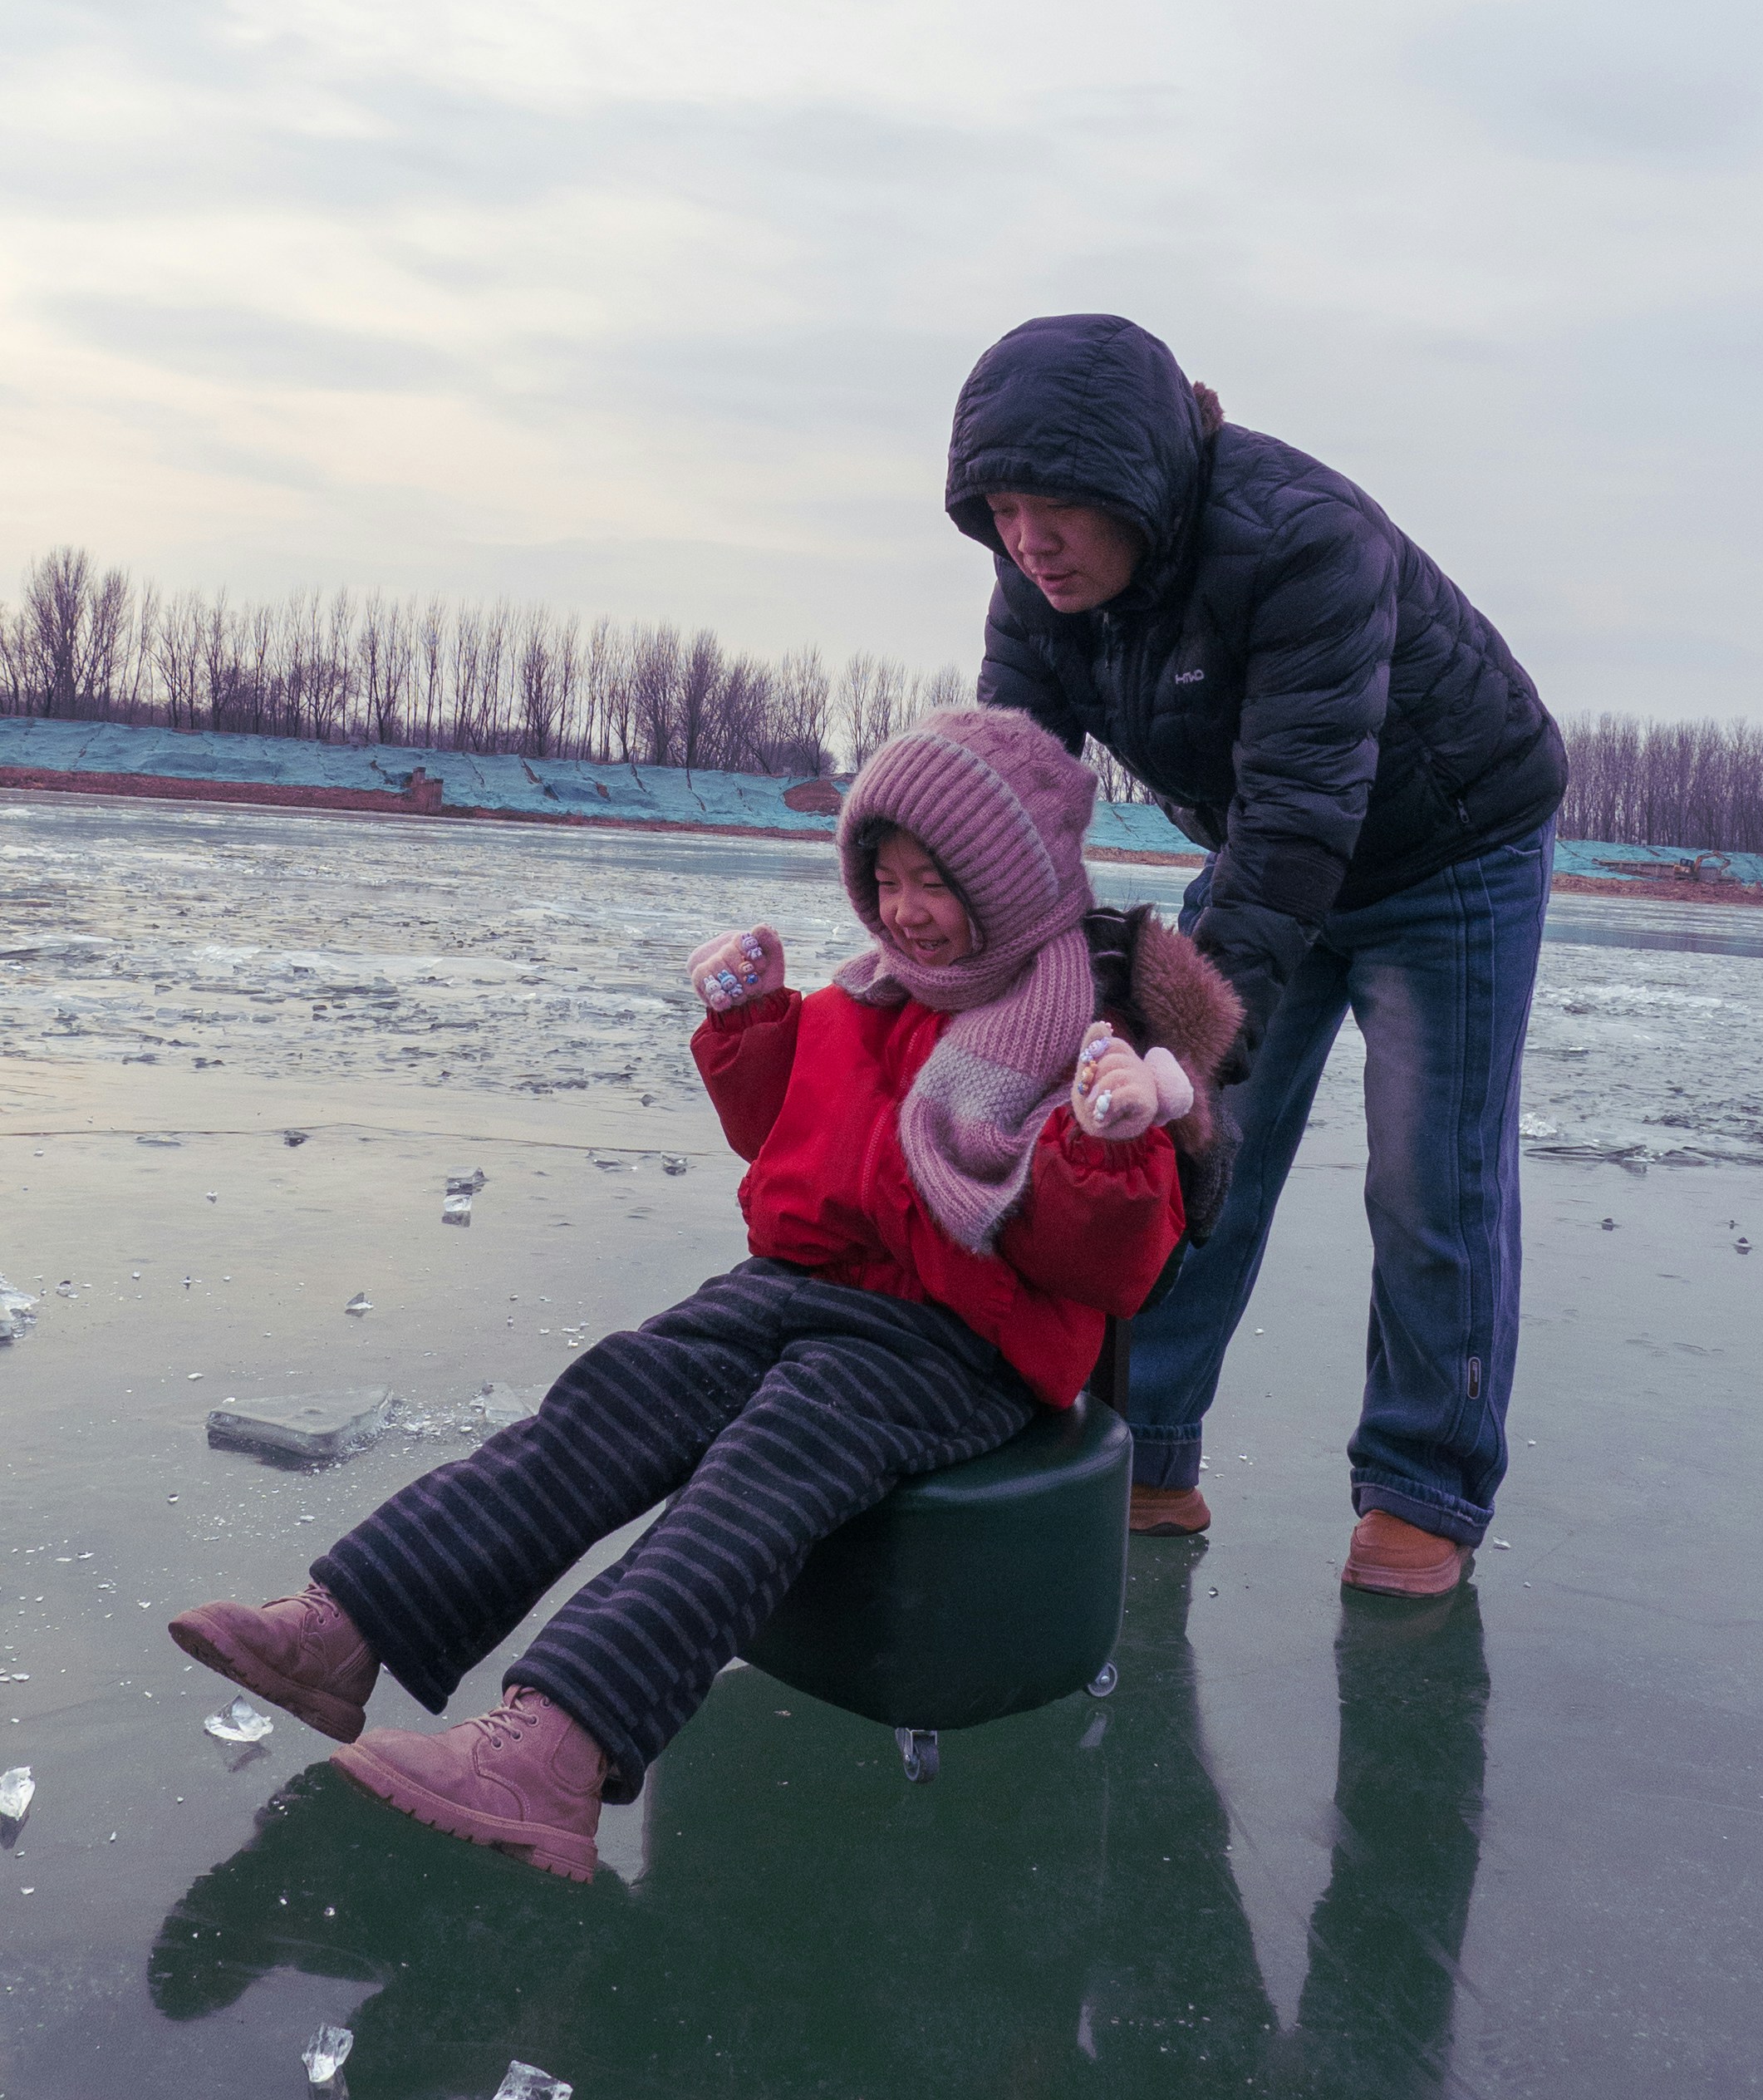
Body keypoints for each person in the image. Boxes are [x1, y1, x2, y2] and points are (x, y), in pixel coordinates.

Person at [168, 707, 1194, 1885]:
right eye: (889, 879)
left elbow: (1109, 1270)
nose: (906, 909)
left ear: (1009, 886)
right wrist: (754, 1031)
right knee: (614, 1396)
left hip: (949, 1340)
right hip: (797, 1288)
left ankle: (553, 1746)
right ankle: (347, 1627)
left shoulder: (1077, 1037)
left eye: (938, 883)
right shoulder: (868, 997)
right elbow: (787, 1146)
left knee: (768, 1458)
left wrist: (1111, 1144)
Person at [945, 312, 1567, 1598]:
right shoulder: (1038, 586)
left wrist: (1179, 1038)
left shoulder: (1301, 539)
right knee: (1182, 1140)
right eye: (1001, 508)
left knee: (1425, 1176)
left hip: (1447, 848)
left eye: (1052, 504)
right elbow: (1009, 790)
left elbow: (1298, 822)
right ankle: (1148, 1453)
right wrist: (955, 957)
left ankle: (1424, 1486)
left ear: (1139, 482)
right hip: (1275, 833)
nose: (1027, 539)